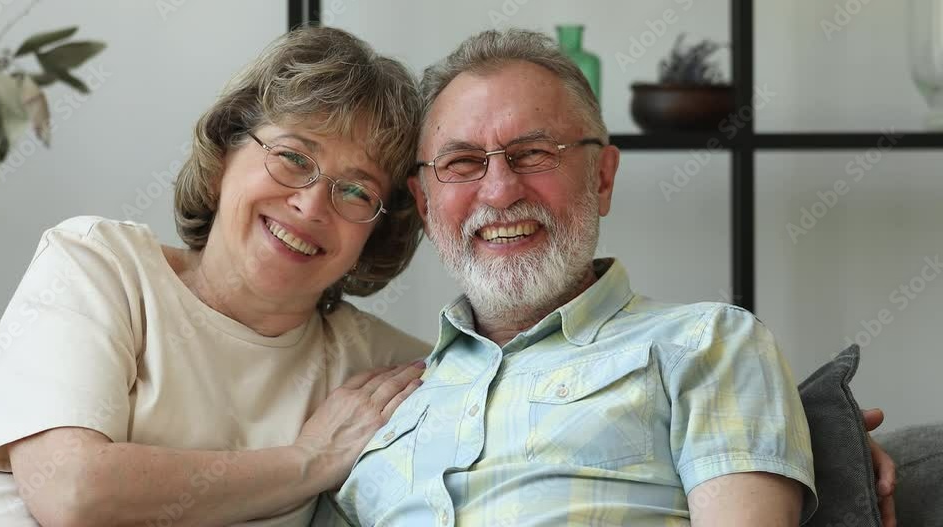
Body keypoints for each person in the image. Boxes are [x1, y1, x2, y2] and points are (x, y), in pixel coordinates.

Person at [319, 29, 897, 526]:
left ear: (602, 178)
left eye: (534, 153)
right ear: (424, 203)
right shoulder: (382, 405)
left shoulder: (707, 345)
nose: (499, 191)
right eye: (462, 163)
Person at [0, 27, 432, 526]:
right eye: (292, 157)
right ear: (224, 156)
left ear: (376, 232)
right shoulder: (100, 265)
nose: (310, 205)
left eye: (355, 192)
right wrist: (312, 460)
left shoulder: (381, 369)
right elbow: (71, 493)